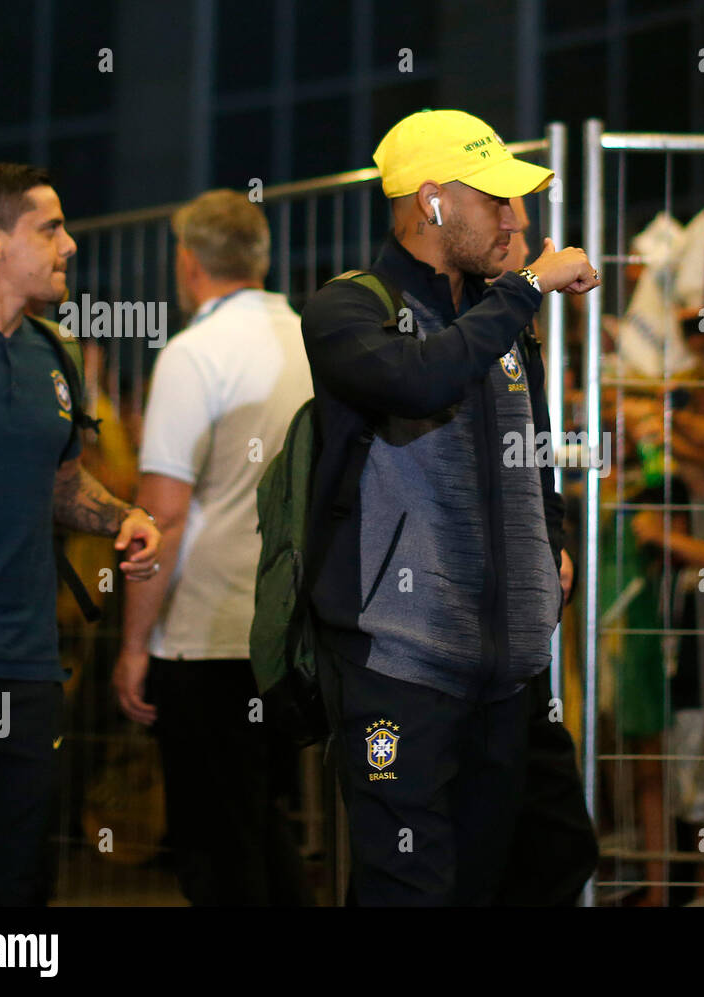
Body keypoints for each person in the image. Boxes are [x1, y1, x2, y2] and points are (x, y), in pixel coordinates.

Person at [300, 109, 599, 905]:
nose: (520, 218)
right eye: (497, 200)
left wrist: (553, 539)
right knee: (411, 888)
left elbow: (529, 452)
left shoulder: (499, 318)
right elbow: (420, 378)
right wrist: (528, 288)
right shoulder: (346, 311)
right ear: (432, 202)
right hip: (400, 672)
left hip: (504, 674)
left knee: (536, 863)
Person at [0, 163, 161, 905]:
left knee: (16, 892)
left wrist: (124, 516)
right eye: (49, 228)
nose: (70, 245)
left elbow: (62, 485)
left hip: (26, 672)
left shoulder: (56, 354)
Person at [112, 189, 312, 905]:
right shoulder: (309, 338)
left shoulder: (193, 354)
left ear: (187, 262)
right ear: (259, 256)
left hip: (205, 635)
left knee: (215, 845)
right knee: (263, 824)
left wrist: (136, 644)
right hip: (288, 632)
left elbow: (161, 518)